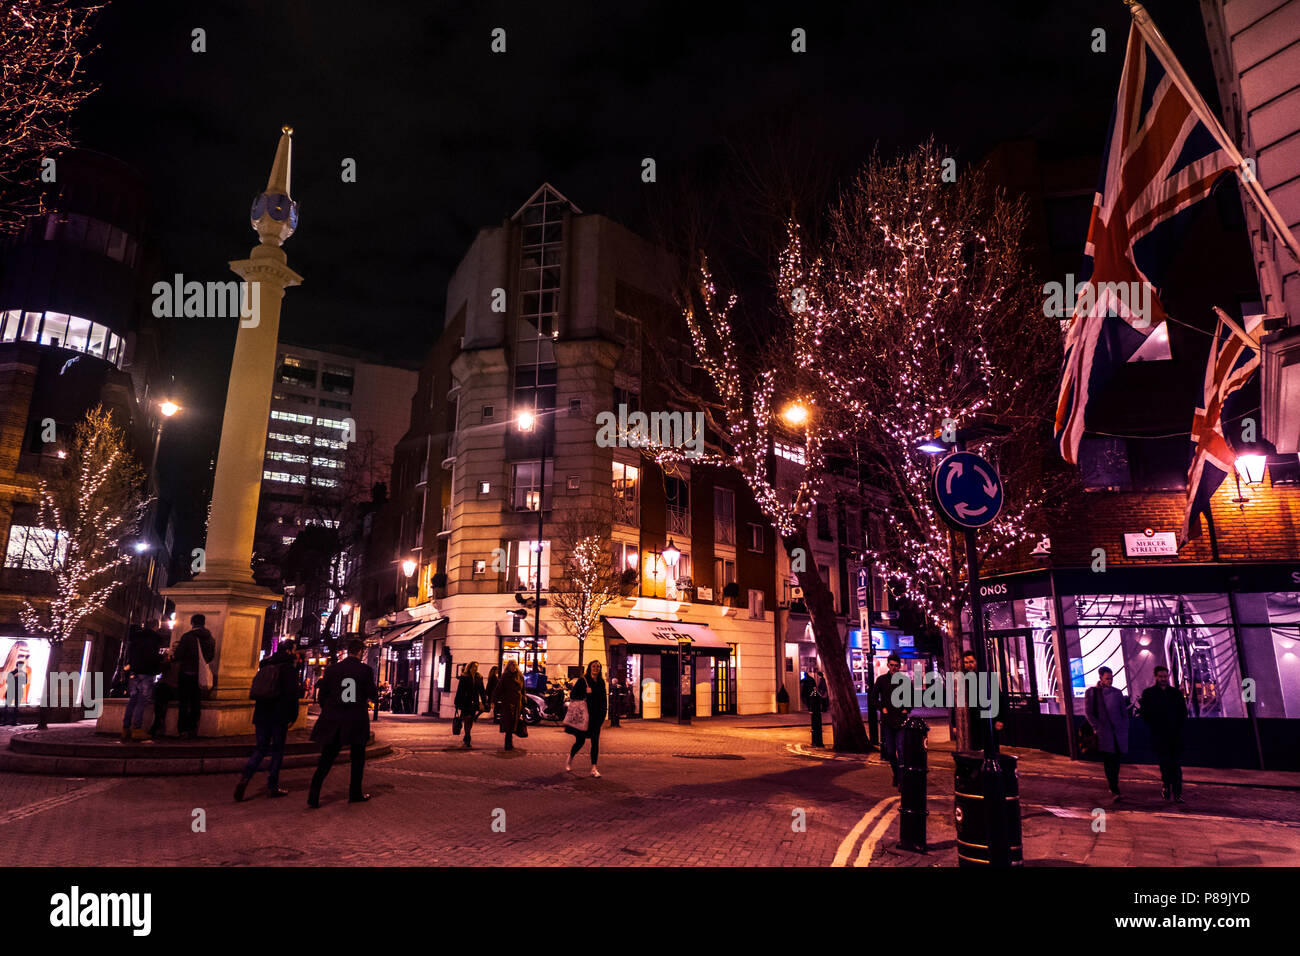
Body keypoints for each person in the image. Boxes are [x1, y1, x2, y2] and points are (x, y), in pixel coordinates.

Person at [308, 638, 379, 808]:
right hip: (355, 719)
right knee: (358, 758)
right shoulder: (365, 670)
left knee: (327, 758)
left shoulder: (333, 670)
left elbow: (322, 695)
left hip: (335, 719)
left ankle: (314, 794)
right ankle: (355, 793)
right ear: (360, 651)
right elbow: (372, 693)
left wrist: (330, 709)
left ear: (348, 651)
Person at [234, 639, 301, 801]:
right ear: (290, 651)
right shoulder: (288, 668)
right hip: (279, 716)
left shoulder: (265, 664)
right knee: (277, 750)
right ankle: (272, 786)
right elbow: (292, 695)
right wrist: (293, 716)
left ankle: (245, 777)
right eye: (294, 650)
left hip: (262, 714)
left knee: (261, 748)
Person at [1140, 665, 1187, 803]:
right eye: (1161, 677)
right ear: (1156, 677)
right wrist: (1155, 727)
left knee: (1176, 765)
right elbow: (1145, 713)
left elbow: (1183, 713)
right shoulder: (1149, 694)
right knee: (1165, 764)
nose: (1163, 679)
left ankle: (1177, 793)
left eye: (1165, 677)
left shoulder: (1175, 693)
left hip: (1175, 735)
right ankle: (1167, 786)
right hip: (1160, 736)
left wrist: (1178, 727)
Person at [1085, 666, 1130, 801]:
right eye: (1107, 679)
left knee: (1115, 761)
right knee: (1109, 760)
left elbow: (1123, 712)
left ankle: (1114, 785)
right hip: (1105, 733)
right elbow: (1089, 712)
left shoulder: (1117, 693)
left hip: (1117, 732)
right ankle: (1114, 786)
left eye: (1111, 678)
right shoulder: (1093, 692)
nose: (1110, 681)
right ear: (1101, 678)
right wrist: (1097, 726)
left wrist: (1124, 726)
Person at [121, 620, 165, 742]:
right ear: (156, 627)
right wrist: (162, 659)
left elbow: (130, 655)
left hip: (134, 671)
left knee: (132, 700)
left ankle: (125, 728)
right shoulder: (154, 639)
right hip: (146, 672)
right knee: (142, 700)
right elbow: (152, 657)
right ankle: (137, 728)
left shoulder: (136, 638)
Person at [870, 654, 911, 785]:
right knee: (890, 752)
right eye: (891, 665)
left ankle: (901, 779)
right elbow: (874, 698)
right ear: (888, 665)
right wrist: (882, 708)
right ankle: (897, 774)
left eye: (896, 665)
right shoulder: (881, 680)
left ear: (900, 666)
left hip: (900, 720)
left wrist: (907, 709)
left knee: (901, 749)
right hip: (887, 721)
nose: (894, 668)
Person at [174, 614, 215, 739]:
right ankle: (193, 728)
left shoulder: (187, 637)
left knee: (184, 703)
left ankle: (182, 730)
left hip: (186, 673)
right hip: (200, 676)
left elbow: (179, 655)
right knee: (196, 702)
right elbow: (211, 656)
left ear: (192, 623)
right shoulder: (210, 638)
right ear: (203, 623)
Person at [565, 660, 607, 777]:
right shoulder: (583, 681)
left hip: (595, 717)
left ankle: (594, 768)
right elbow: (573, 695)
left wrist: (603, 716)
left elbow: (604, 700)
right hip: (583, 716)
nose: (596, 668)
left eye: (598, 667)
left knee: (595, 743)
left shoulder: (601, 682)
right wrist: (585, 694)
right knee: (580, 741)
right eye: (594, 666)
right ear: (590, 668)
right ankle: (570, 758)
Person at [960, 650, 1003, 753]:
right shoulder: (963, 679)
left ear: (976, 662)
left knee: (991, 747)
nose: (969, 665)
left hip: (989, 718)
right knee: (976, 749)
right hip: (973, 720)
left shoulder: (987, 676)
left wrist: (1000, 719)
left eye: (971, 661)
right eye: (966, 662)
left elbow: (998, 698)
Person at [493, 659, 526, 751]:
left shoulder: (520, 676)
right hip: (507, 702)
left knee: (514, 722)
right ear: (509, 666)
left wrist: (524, 699)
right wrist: (495, 700)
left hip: (517, 702)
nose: (514, 667)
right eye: (512, 665)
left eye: (515, 665)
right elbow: (498, 688)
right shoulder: (505, 676)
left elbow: (523, 689)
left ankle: (510, 741)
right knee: (508, 722)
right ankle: (508, 742)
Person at [453, 661, 488, 748]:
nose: (475, 668)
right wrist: (457, 703)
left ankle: (466, 736)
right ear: (470, 667)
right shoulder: (464, 677)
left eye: (477, 667)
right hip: (465, 701)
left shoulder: (479, 677)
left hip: (474, 701)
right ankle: (468, 738)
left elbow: (482, 690)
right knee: (467, 719)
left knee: (471, 720)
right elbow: (460, 690)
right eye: (474, 667)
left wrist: (484, 701)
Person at [149, 645, 180, 738]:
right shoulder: (168, 659)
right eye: (173, 646)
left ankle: (157, 723)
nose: (174, 648)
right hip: (165, 686)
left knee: (162, 691)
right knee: (160, 691)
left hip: (175, 688)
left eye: (176, 647)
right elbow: (158, 670)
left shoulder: (182, 661)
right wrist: (165, 659)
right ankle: (158, 721)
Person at [800, 670, 825, 747]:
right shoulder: (812, 679)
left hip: (808, 694)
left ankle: (816, 742)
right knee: (810, 700)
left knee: (809, 700)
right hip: (811, 693)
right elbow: (815, 686)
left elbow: (801, 681)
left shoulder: (806, 679)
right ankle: (817, 741)